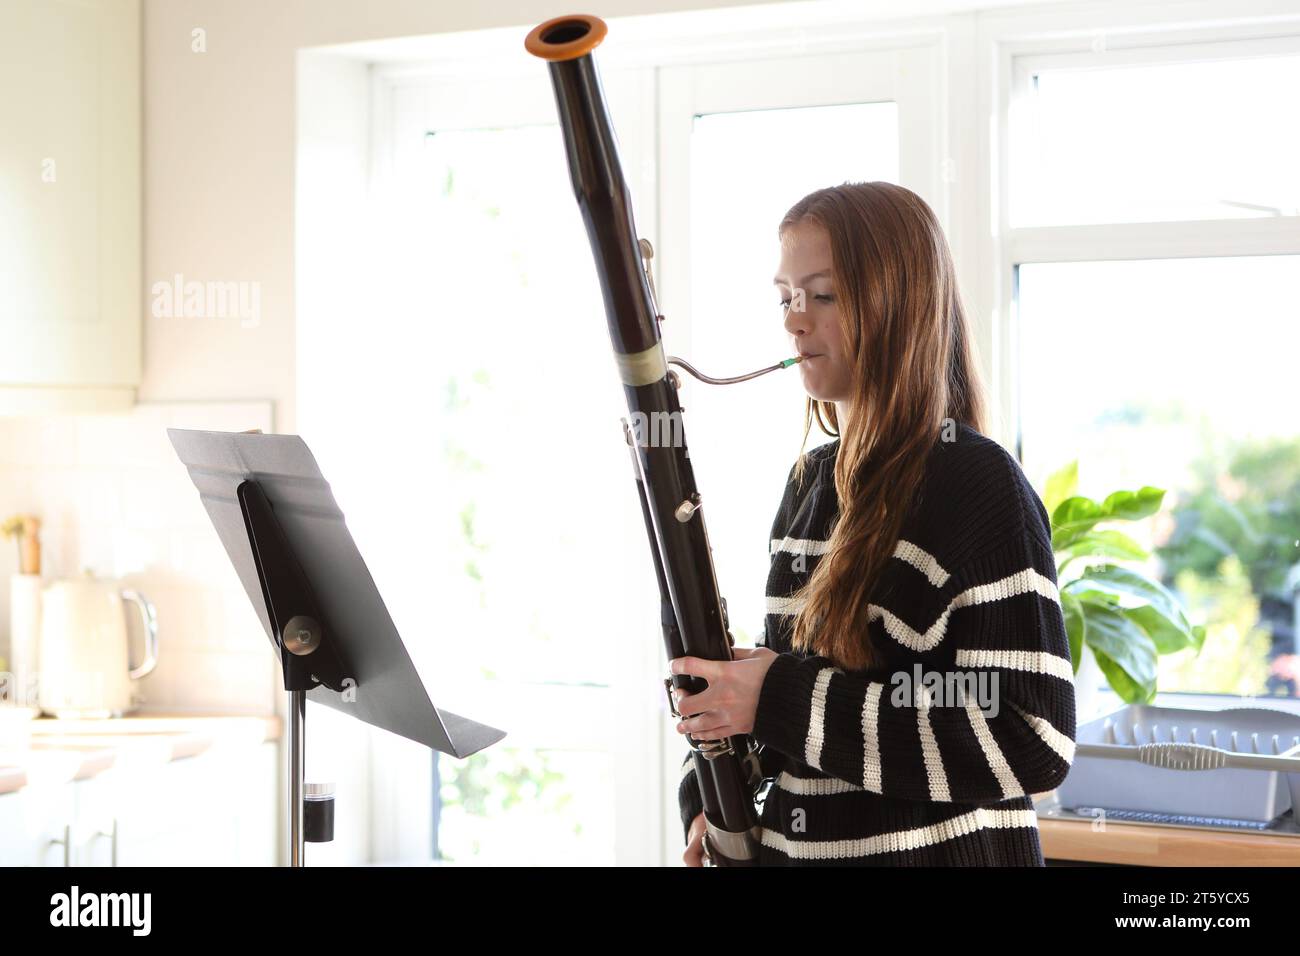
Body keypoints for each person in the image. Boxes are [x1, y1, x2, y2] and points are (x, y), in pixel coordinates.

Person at [674, 181, 1076, 866]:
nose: (793, 322)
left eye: (822, 295)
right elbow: (795, 721)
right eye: (785, 297)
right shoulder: (807, 486)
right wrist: (715, 769)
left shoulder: (974, 484)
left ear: (900, 304)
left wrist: (779, 698)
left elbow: (1031, 736)